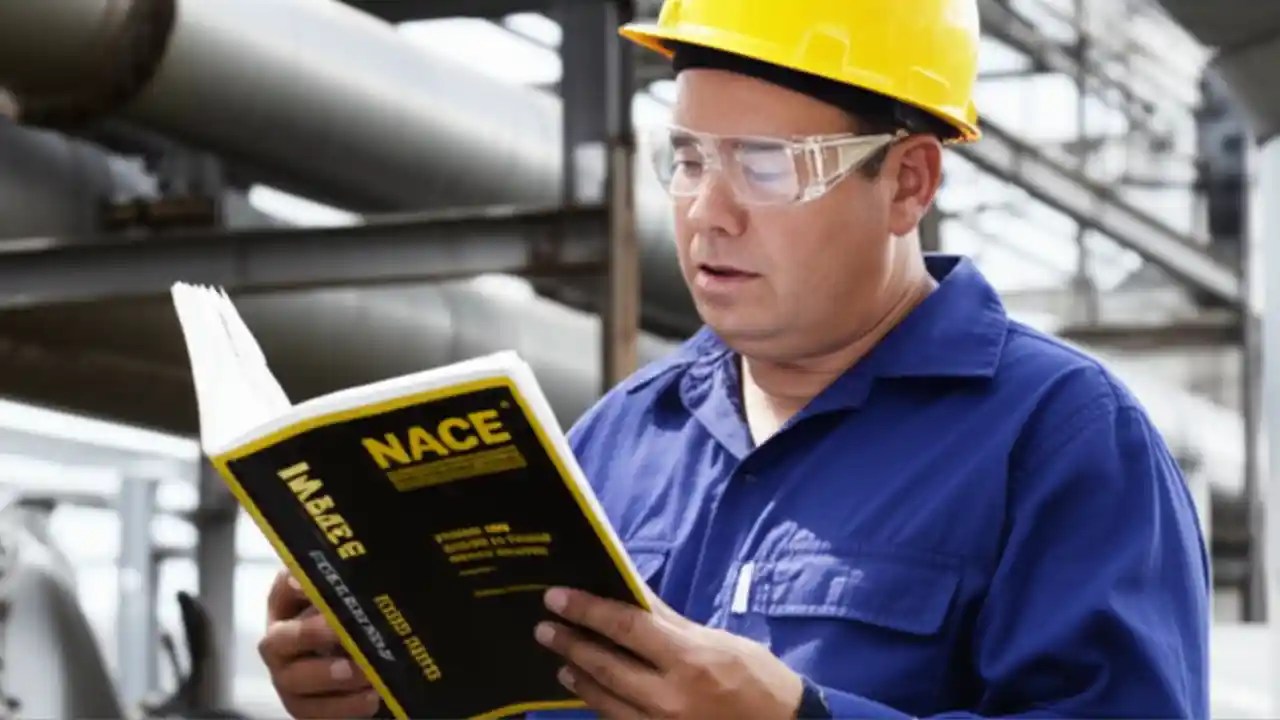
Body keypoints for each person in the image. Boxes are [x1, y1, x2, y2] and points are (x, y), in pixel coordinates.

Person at [257, 0, 1211, 717]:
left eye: (764, 165)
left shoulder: (1059, 441)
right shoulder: (623, 439)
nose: (708, 210)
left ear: (909, 182)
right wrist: (374, 698)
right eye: (688, 159)